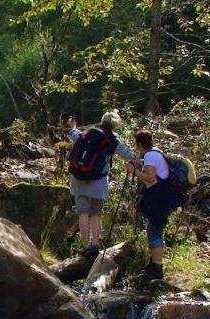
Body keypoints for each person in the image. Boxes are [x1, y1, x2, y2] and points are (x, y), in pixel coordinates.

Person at [67, 112, 136, 258]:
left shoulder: (88, 133)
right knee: (96, 214)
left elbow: (74, 135)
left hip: (78, 178)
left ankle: (85, 247)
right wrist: (143, 158)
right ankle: (95, 245)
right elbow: (128, 155)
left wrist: (73, 127)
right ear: (115, 125)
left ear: (102, 121)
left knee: (83, 212)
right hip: (98, 182)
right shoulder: (113, 140)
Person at [126, 129, 184, 280]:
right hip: (165, 197)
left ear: (139, 143)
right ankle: (153, 263)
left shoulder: (150, 155)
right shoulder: (155, 153)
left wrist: (134, 172)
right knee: (153, 228)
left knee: (154, 230)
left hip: (161, 199)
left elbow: (150, 178)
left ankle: (157, 267)